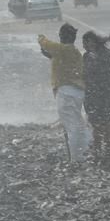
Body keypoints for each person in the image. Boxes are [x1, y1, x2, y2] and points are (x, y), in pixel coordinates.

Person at [38, 24, 90, 162]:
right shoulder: (72, 51)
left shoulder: (64, 49)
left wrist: (40, 36)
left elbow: (46, 44)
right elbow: (62, 62)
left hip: (67, 92)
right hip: (75, 92)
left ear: (62, 36)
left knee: (72, 127)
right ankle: (83, 153)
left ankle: (77, 159)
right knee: (76, 124)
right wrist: (51, 56)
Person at [81, 30, 110, 159]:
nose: (83, 45)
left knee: (103, 123)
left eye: (85, 42)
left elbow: (101, 70)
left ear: (91, 42)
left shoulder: (103, 53)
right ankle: (101, 150)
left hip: (103, 93)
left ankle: (104, 150)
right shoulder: (87, 56)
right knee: (97, 123)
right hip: (93, 94)